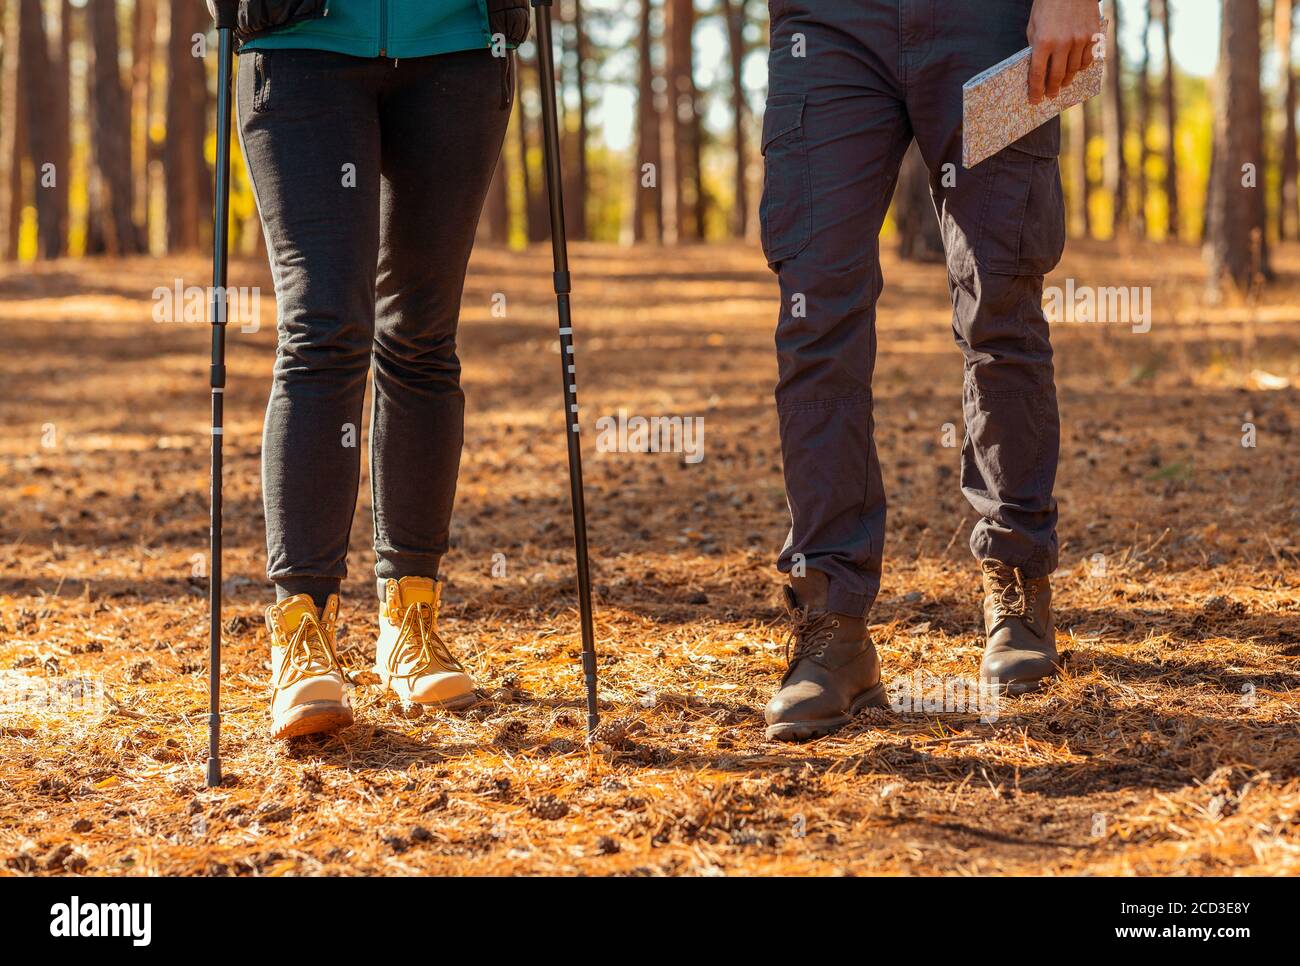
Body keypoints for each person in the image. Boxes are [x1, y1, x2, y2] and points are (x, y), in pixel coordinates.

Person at [759, 0, 1101, 741]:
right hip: (826, 26)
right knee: (815, 316)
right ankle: (832, 623)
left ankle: (1017, 583)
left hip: (992, 20)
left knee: (1000, 301)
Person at [219, 0, 529, 738]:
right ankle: (301, 635)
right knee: (323, 329)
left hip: (456, 43)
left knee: (422, 337)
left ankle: (410, 620)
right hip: (301, 41)